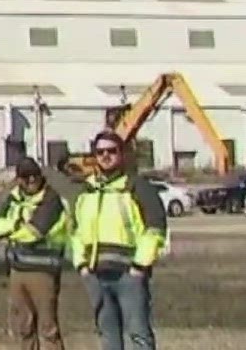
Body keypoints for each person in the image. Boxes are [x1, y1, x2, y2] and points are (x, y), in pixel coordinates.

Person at [70, 130, 167, 350]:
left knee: (138, 335)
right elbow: (75, 230)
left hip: (129, 276)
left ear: (121, 154)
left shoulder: (136, 186)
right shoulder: (86, 190)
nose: (106, 156)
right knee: (108, 336)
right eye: (100, 151)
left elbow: (156, 228)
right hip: (96, 275)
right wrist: (82, 266)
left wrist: (139, 266)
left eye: (111, 151)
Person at [0, 157, 71, 350]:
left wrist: (10, 229)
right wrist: (15, 226)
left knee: (48, 329)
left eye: (35, 176)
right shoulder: (13, 198)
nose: (31, 180)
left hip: (44, 271)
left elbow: (34, 232)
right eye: (26, 177)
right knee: (23, 327)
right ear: (19, 179)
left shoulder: (52, 200)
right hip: (17, 270)